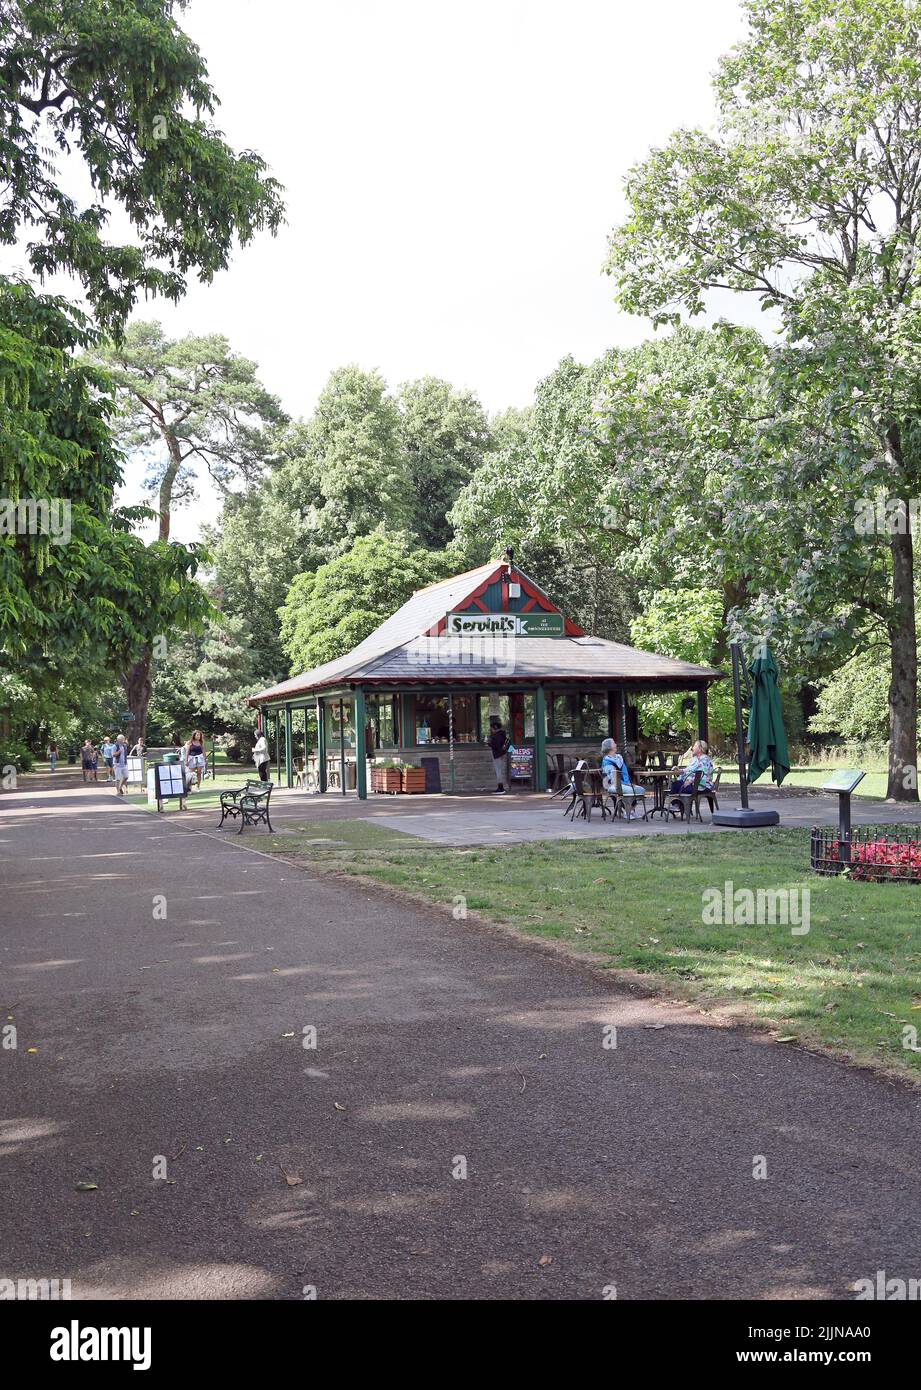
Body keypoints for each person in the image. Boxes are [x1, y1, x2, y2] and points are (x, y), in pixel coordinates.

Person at [600, 738, 645, 819]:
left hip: (624, 782)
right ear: (609, 747)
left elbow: (625, 773)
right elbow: (612, 777)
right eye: (614, 743)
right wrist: (626, 784)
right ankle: (626, 812)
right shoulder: (607, 761)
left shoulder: (619, 758)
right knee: (629, 790)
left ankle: (631, 810)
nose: (616, 744)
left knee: (640, 789)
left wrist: (628, 783)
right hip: (612, 784)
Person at [488, 716, 510, 794]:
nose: (491, 730)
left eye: (492, 728)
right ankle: (500, 787)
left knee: (498, 771)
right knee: (500, 770)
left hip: (497, 755)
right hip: (502, 754)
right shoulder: (503, 734)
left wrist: (489, 744)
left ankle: (501, 788)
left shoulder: (496, 736)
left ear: (495, 728)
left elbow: (496, 746)